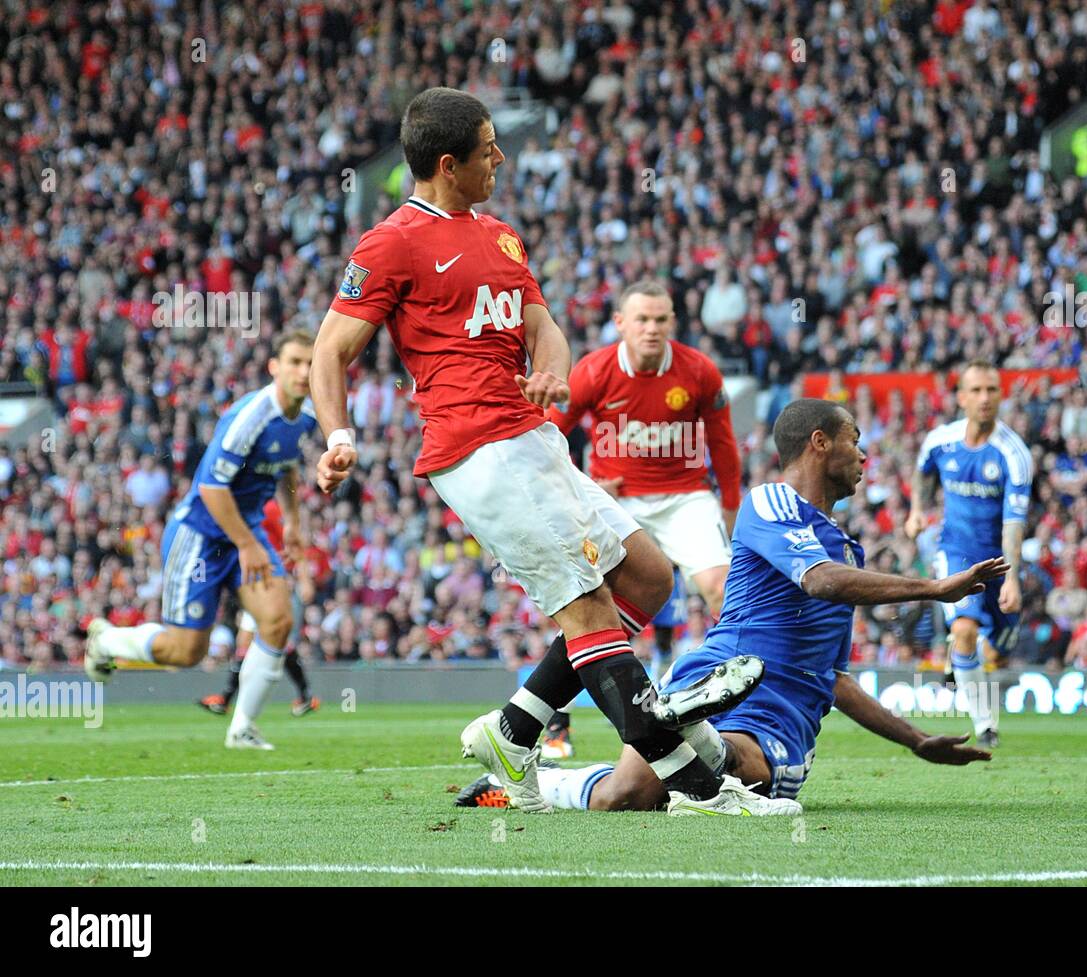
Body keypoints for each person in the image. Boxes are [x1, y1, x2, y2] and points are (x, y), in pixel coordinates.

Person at [310, 87, 784, 815]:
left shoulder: (500, 235)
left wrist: (555, 367)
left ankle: (514, 731)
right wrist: (340, 435)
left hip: (533, 439)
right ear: (446, 164)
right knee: (590, 610)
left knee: (649, 578)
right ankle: (702, 789)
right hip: (477, 447)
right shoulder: (391, 243)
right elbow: (330, 352)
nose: (500, 157)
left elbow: (544, 325)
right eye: (487, 148)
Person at [456, 399, 1003, 812]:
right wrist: (934, 589)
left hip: (783, 711)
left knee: (630, 796)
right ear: (819, 442)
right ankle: (693, 725)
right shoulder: (771, 502)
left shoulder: (847, 550)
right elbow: (819, 583)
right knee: (650, 791)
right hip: (726, 668)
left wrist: (915, 740)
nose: (863, 455)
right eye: (854, 441)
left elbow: (836, 677)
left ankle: (687, 727)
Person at [84, 331, 317, 750]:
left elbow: (286, 467)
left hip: (245, 531)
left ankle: (242, 726)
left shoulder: (304, 416)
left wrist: (295, 523)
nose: (304, 372)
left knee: (279, 619)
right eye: (296, 362)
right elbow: (211, 489)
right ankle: (107, 640)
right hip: (201, 535)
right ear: (274, 367)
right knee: (186, 651)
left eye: (310, 364)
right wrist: (247, 545)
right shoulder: (250, 418)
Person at [540, 279, 743, 758]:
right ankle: (556, 721)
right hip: (618, 503)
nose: (651, 329)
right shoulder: (594, 371)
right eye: (642, 320)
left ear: (673, 322)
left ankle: (735, 706)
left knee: (722, 588)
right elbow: (548, 437)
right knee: (586, 605)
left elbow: (724, 446)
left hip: (685, 497)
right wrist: (582, 483)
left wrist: (730, 512)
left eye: (660, 320)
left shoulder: (699, 372)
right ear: (621, 325)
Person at [905, 361, 1034, 747]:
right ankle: (985, 726)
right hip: (956, 553)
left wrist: (1011, 576)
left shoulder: (1014, 454)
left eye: (992, 390)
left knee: (995, 649)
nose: (985, 398)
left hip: (998, 559)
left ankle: (957, 666)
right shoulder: (940, 441)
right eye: (976, 390)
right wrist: (916, 510)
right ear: (961, 397)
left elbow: (1014, 521)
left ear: (1001, 395)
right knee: (964, 631)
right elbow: (921, 472)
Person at [197, 498, 320, 719]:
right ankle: (305, 695)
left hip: (269, 581)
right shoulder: (242, 507)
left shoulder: (268, 508)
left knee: (255, 640)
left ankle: (226, 699)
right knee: (272, 642)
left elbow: (293, 542)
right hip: (255, 581)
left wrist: (304, 578)